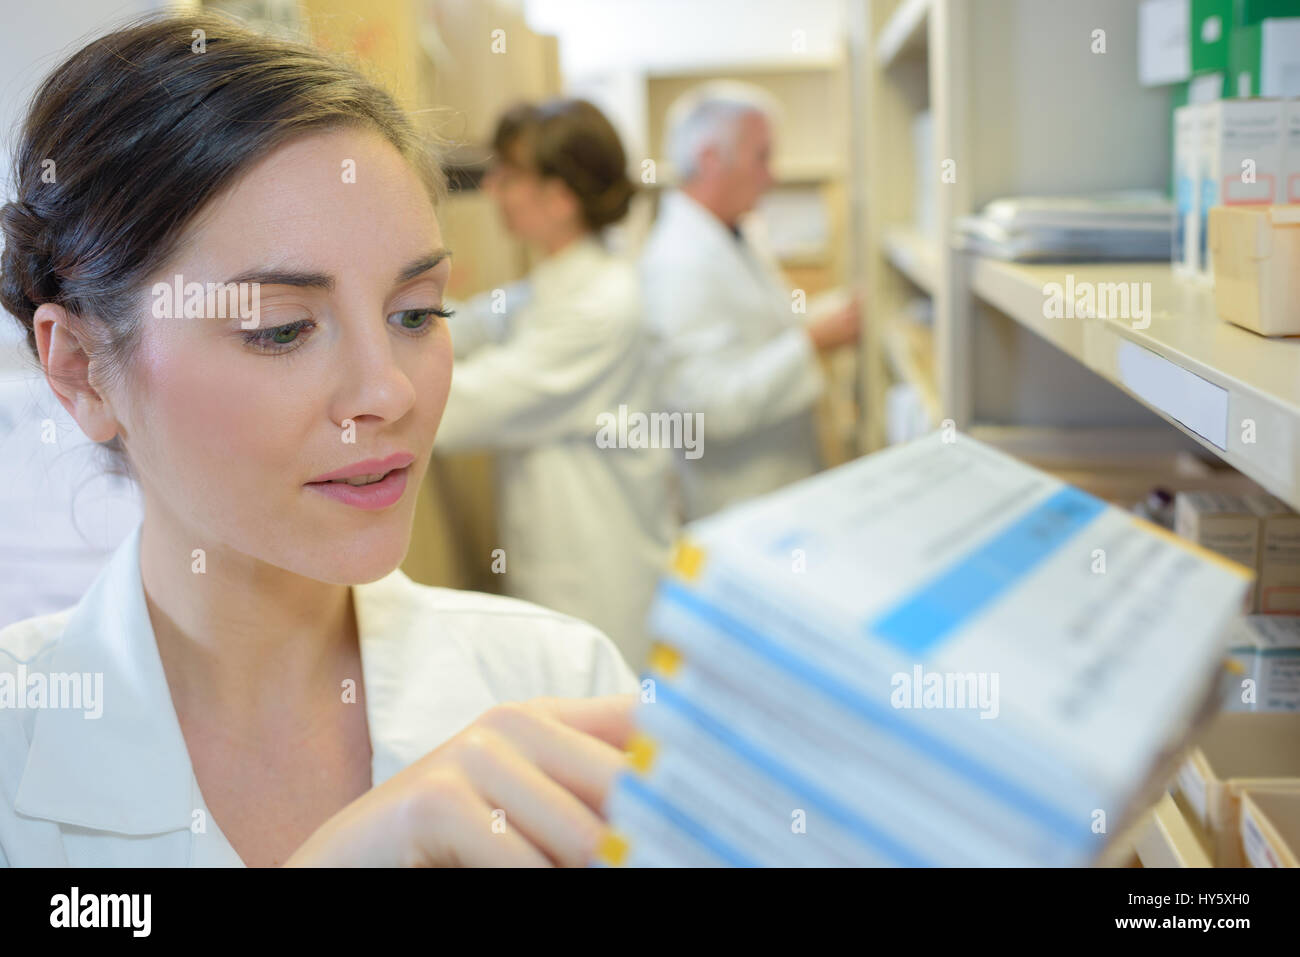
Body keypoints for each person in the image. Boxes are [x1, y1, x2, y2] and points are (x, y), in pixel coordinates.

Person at [0, 13, 639, 868]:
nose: (389, 390)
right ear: (80, 367)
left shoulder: (561, 686)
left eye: (416, 313)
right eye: (282, 329)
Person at [434, 100, 674, 672]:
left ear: (561, 196)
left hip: (598, 579)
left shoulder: (603, 306)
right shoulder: (558, 284)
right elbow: (478, 322)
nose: (492, 189)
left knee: (602, 739)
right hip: (567, 565)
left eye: (510, 176)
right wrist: (402, 313)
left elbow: (467, 407)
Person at [640, 81, 861, 521]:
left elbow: (766, 331)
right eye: (761, 156)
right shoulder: (677, 262)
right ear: (709, 159)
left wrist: (838, 314)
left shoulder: (734, 233)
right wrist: (814, 343)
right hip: (739, 504)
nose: (772, 175)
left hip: (782, 487)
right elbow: (708, 409)